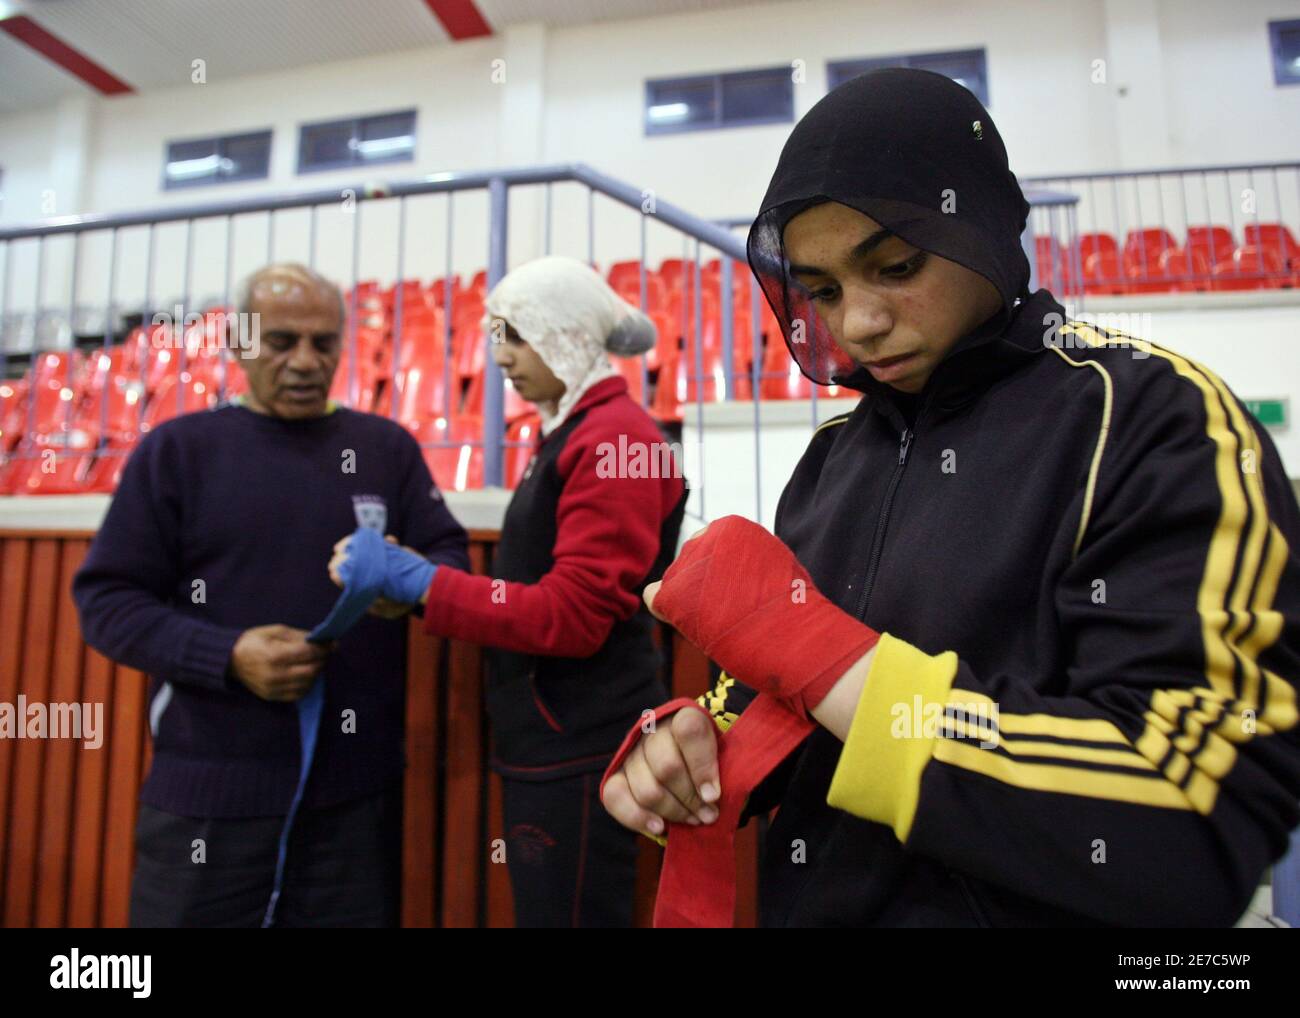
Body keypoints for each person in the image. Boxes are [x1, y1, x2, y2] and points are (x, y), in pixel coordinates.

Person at [598, 68, 1300, 927]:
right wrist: (701, 744)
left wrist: (825, 657)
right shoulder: (830, 457)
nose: (855, 323)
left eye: (894, 266)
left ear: (986, 232)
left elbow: (1196, 813)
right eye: (820, 290)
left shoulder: (1158, 418)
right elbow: (798, 708)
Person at [73, 263, 470, 927]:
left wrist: (409, 588)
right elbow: (107, 600)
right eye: (281, 342)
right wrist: (225, 655)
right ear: (238, 341)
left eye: (323, 344)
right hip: (207, 805)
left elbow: (447, 557)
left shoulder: (386, 449)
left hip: (353, 805)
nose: (305, 363)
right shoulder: (178, 452)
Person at [329, 256, 687, 927]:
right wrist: (425, 586)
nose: (499, 356)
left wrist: (425, 584)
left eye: (517, 336)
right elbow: (538, 589)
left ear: (568, 335)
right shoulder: (577, 429)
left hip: (580, 742)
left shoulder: (615, 437)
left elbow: (574, 616)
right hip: (555, 736)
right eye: (496, 335)